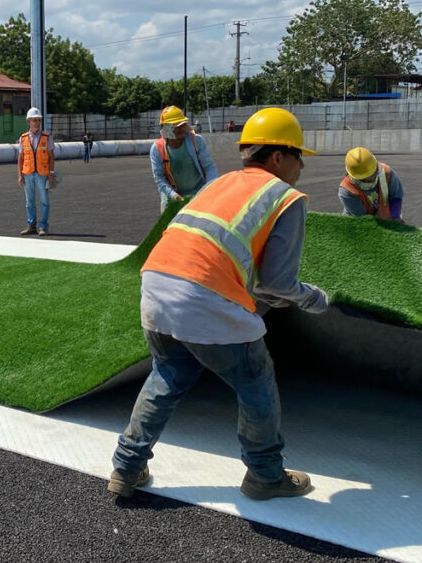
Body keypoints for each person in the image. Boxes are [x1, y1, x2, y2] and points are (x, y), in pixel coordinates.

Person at [109, 107, 330, 501]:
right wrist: (313, 299)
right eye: (298, 156)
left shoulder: (222, 182)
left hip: (157, 282)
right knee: (255, 381)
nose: (301, 167)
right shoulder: (286, 196)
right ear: (278, 156)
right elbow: (278, 282)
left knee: (167, 376)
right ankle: (265, 474)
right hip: (203, 295)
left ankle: (126, 467)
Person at [150, 105, 218, 213]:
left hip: (198, 190)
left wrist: (208, 189)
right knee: (169, 224)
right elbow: (159, 178)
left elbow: (210, 168)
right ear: (167, 128)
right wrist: (173, 195)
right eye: (177, 126)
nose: (182, 128)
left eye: (183, 125)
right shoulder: (157, 149)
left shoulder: (197, 141)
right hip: (171, 193)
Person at [17, 107, 56, 236]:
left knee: (44, 201)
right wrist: (20, 175)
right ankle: (31, 225)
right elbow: (20, 158)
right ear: (28, 121)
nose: (37, 123)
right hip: (27, 173)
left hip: (42, 173)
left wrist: (51, 173)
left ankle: (43, 226)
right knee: (29, 202)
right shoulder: (23, 138)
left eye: (38, 120)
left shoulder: (46, 137)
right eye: (34, 120)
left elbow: (51, 156)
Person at [339, 147, 405, 222]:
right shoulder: (347, 190)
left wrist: (395, 217)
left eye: (373, 173)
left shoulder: (387, 173)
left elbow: (395, 196)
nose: (371, 178)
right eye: (367, 177)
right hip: (358, 222)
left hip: (385, 218)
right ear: (357, 177)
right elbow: (363, 219)